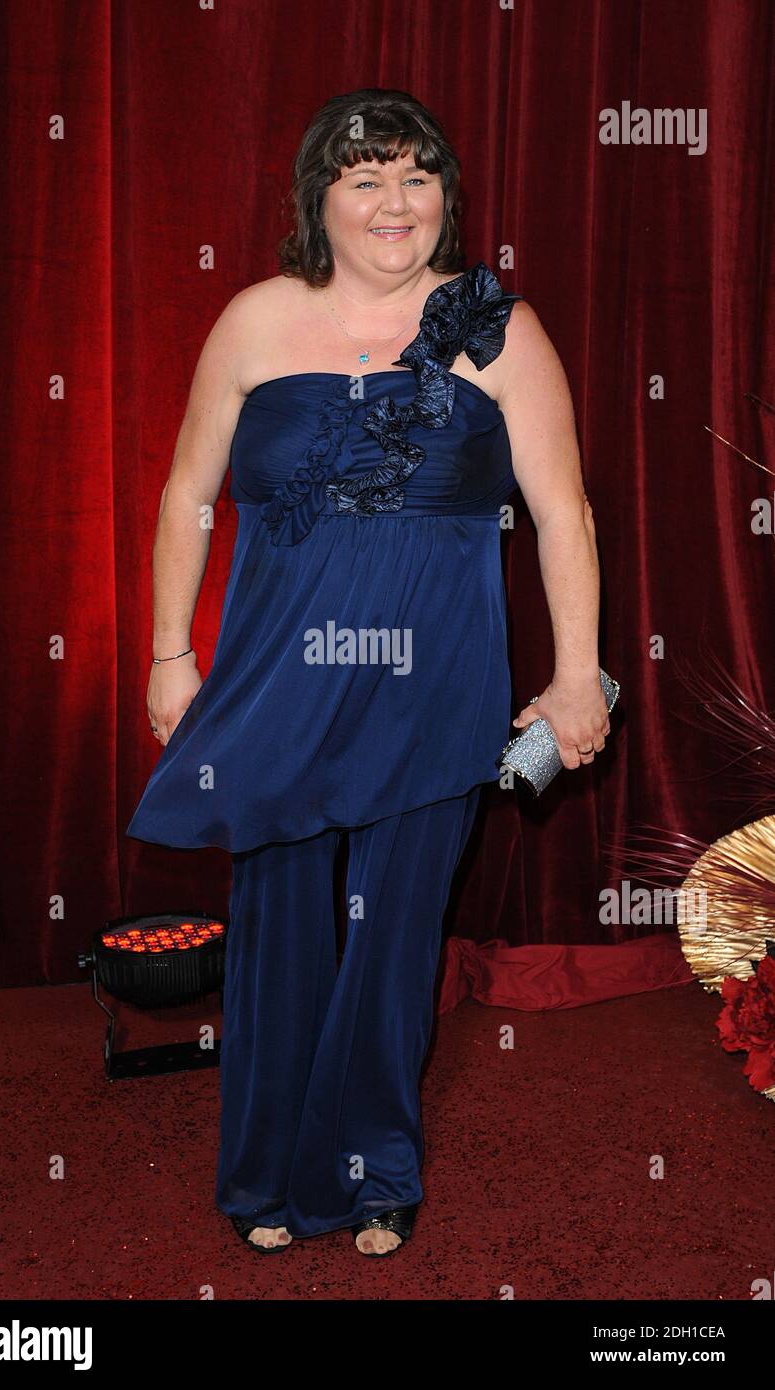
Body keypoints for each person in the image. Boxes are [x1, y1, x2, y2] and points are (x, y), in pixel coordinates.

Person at [126, 88, 610, 1257]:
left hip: (433, 682)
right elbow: (188, 493)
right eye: (364, 177)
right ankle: (268, 1175)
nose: (394, 202)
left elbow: (562, 513)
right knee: (280, 921)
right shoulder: (253, 320)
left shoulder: (496, 325)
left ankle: (375, 1168)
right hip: (272, 684)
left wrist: (580, 673)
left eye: (416, 176)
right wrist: (169, 653)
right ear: (319, 199)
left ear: (445, 196)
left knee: (393, 934)